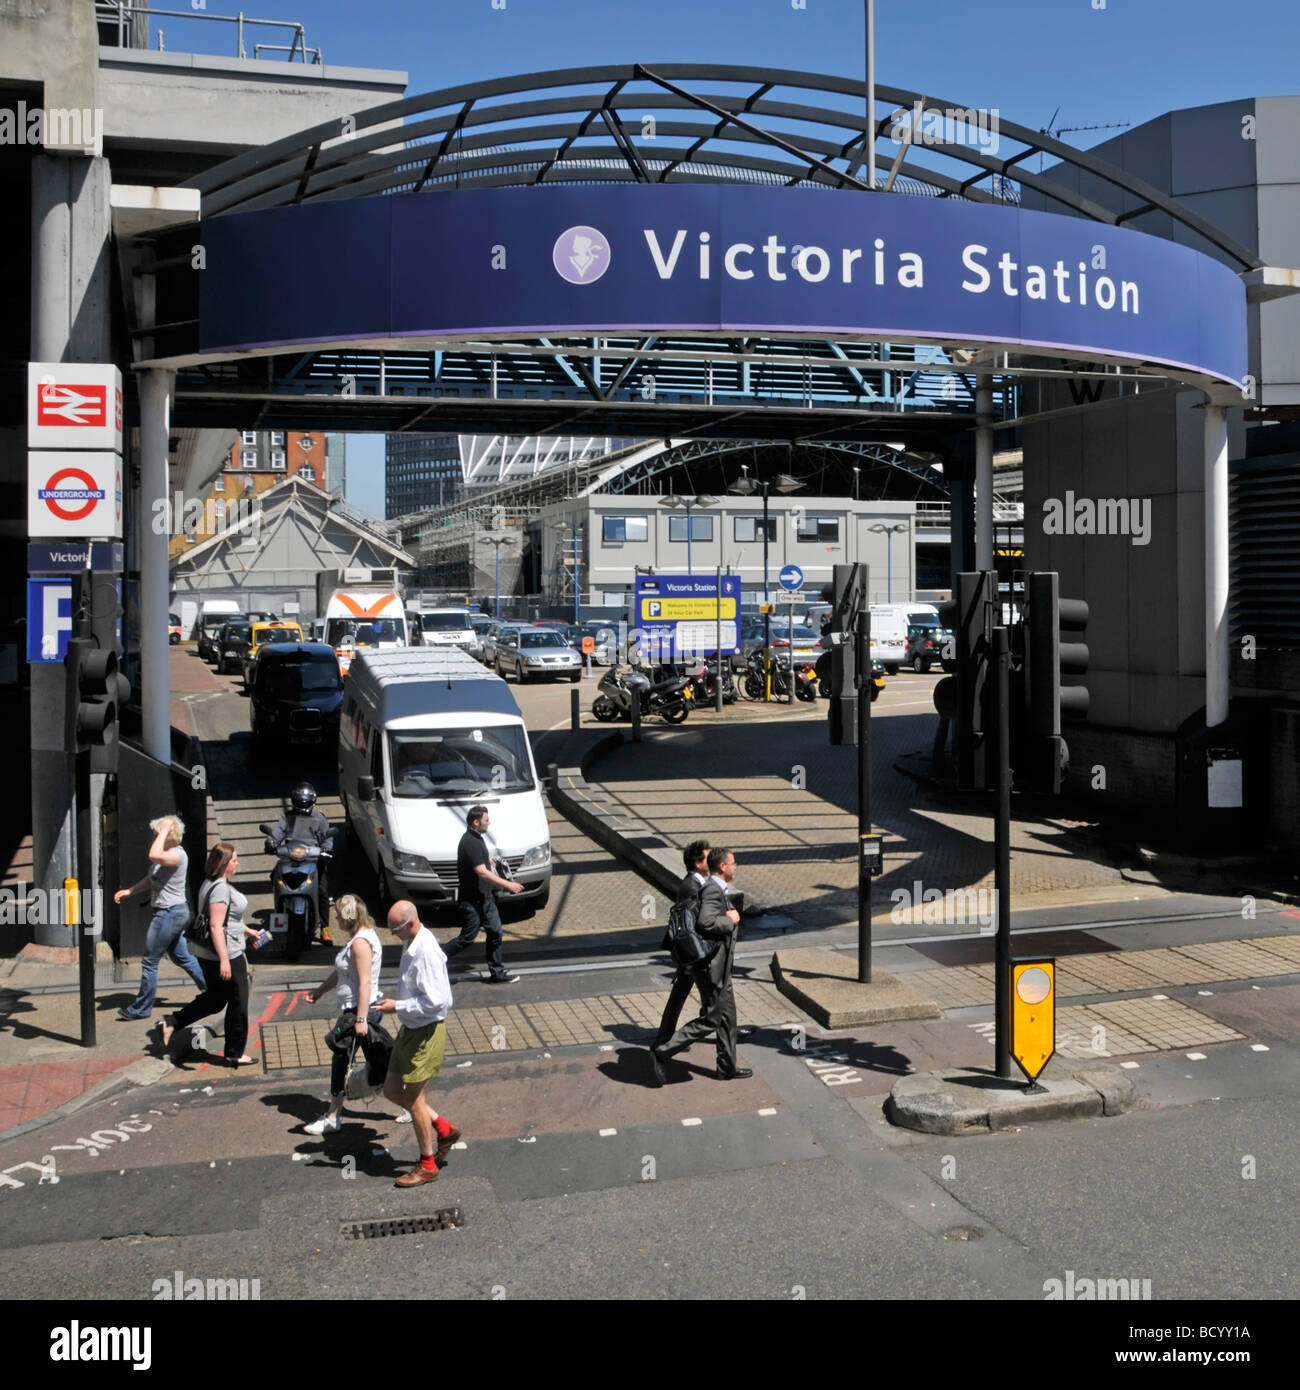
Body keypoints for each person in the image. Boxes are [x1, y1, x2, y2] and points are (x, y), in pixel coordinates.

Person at [159, 843, 267, 1066]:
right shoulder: (220, 888)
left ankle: (174, 1021)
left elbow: (224, 920)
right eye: (234, 860)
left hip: (209, 953)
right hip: (225, 954)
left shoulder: (210, 883)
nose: (237, 864)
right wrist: (225, 960)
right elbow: (217, 926)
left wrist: (246, 930)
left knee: (216, 999)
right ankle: (235, 1052)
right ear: (225, 863)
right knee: (238, 1001)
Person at [651, 847, 752, 1082]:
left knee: (728, 1017)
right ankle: (662, 1051)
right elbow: (706, 923)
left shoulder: (716, 889)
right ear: (723, 867)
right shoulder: (712, 890)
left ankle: (726, 1067)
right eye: (734, 863)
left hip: (720, 966)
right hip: (711, 966)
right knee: (711, 1019)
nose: (736, 867)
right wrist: (729, 920)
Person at [377, 900, 459, 1188]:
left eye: (395, 929)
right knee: (390, 1090)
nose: (392, 934)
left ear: (411, 923)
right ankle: (444, 1129)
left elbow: (439, 1001)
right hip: (410, 1030)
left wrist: (397, 1005)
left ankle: (427, 1166)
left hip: (425, 1034)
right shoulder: (411, 940)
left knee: (413, 1101)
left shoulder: (425, 951)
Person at [302, 895, 387, 1135]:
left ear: (348, 917)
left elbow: (365, 981)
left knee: (341, 1060)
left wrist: (360, 1019)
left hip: (359, 1012)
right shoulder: (361, 937)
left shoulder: (360, 943)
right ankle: (412, 1104)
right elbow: (342, 974)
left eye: (339, 915)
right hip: (360, 1011)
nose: (336, 918)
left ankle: (332, 1117)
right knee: (378, 1062)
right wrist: (319, 992)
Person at [115, 815, 206, 1021]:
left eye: (156, 833)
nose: (154, 836)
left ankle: (141, 1008)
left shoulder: (177, 855)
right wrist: (130, 891)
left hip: (169, 914)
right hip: (171, 913)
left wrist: (164, 829)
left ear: (168, 835)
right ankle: (211, 990)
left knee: (149, 961)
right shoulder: (167, 856)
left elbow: (153, 855)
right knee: (182, 957)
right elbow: (153, 878)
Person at [443, 805, 522, 984]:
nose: (489, 823)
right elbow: (482, 872)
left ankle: (497, 973)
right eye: (486, 820)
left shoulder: (477, 838)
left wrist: (491, 862)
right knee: (467, 938)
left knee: (495, 932)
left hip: (485, 898)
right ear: (476, 822)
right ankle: (435, 959)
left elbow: (483, 865)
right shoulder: (469, 842)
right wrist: (508, 884)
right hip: (472, 901)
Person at [651, 839, 710, 1050]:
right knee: (712, 1001)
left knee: (682, 995)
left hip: (692, 952)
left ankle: (666, 1037)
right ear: (697, 863)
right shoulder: (690, 887)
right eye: (707, 857)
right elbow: (694, 921)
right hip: (694, 952)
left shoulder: (697, 883)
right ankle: (670, 1040)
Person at [266, 781, 334, 941]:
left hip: (313, 860)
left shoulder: (320, 819)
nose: (303, 805)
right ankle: (280, 914)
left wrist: (326, 849)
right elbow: (277, 832)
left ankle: (325, 927)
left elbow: (327, 839)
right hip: (290, 859)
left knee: (322, 890)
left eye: (306, 802)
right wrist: (271, 842)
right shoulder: (286, 817)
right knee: (274, 877)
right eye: (299, 801)